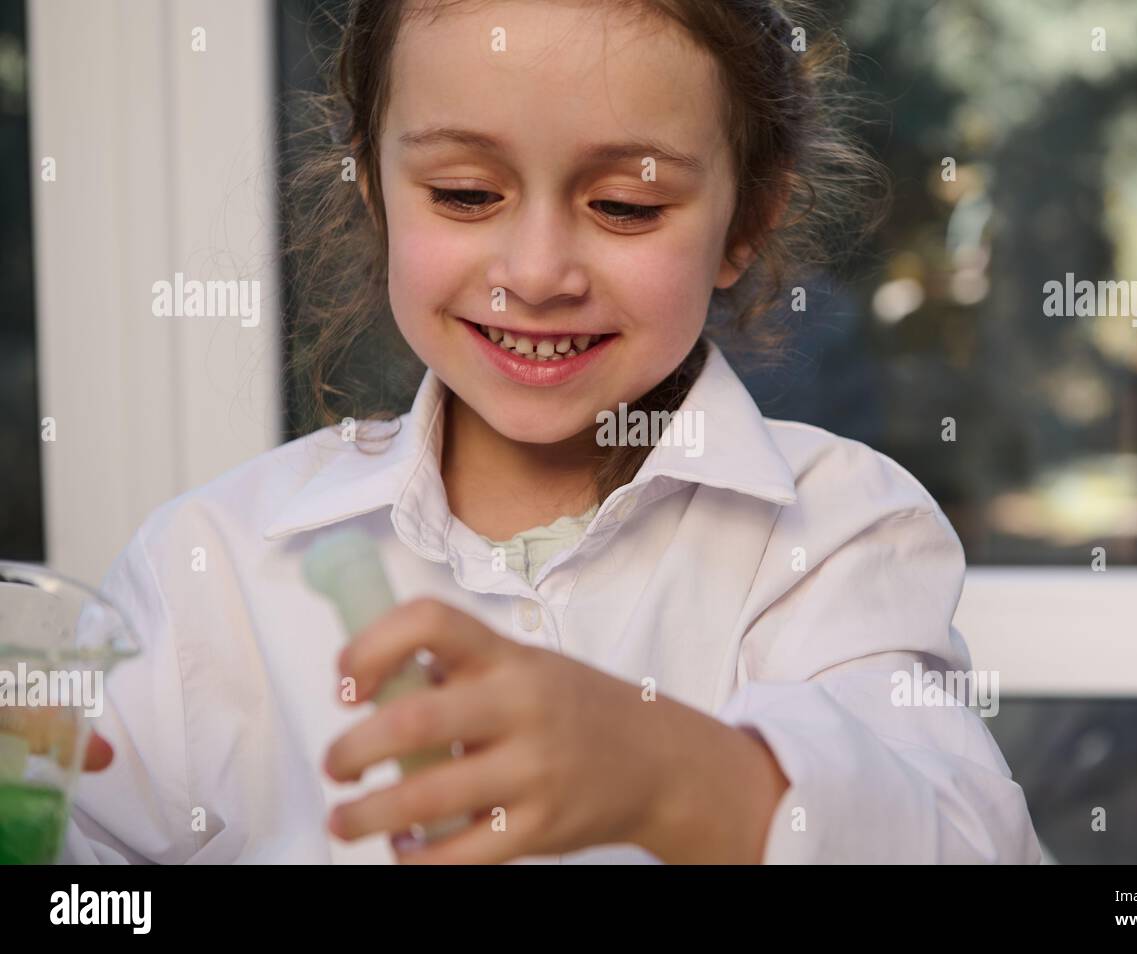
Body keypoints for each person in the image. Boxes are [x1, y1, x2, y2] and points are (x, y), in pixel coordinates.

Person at [63, 0, 1040, 864]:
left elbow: (966, 841)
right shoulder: (210, 569)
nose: (535, 273)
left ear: (746, 220)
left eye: (624, 205)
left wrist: (670, 777)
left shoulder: (836, 537)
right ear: (372, 187)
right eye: (464, 194)